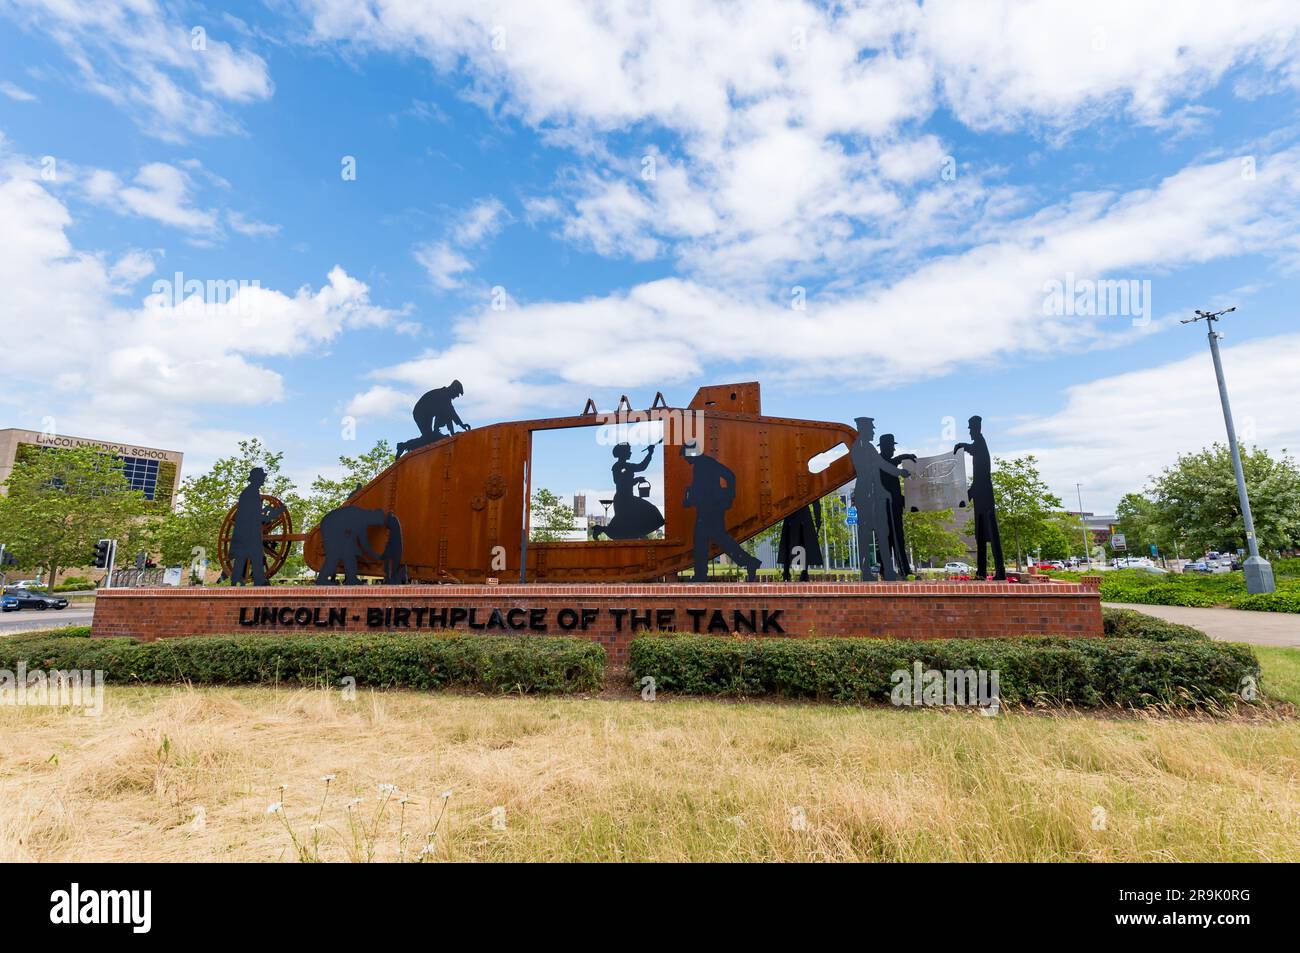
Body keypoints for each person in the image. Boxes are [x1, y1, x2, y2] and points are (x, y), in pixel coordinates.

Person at [682, 443, 761, 582]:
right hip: (709, 509)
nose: (685, 459)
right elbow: (707, 487)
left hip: (710, 510)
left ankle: (701, 575)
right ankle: (749, 562)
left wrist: (729, 497)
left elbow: (729, 477)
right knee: (719, 539)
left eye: (686, 455)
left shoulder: (704, 464)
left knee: (702, 540)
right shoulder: (702, 464)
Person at [848, 418, 910, 581]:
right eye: (871, 429)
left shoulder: (863, 447)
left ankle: (885, 570)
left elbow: (875, 470)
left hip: (871, 493)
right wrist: (900, 473)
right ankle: (871, 572)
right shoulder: (863, 447)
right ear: (864, 429)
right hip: (868, 494)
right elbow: (879, 466)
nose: (873, 432)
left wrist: (883, 490)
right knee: (870, 534)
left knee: (880, 532)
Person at [953, 415, 1006, 580]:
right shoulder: (977, 446)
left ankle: (1001, 571)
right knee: (980, 535)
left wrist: (962, 445)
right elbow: (977, 480)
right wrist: (967, 496)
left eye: (972, 428)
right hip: (979, 496)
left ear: (978, 428)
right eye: (969, 428)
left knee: (992, 533)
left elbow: (974, 451)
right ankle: (981, 572)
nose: (970, 431)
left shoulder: (980, 444)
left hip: (986, 496)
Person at [592, 443, 664, 540]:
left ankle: (636, 533)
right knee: (649, 514)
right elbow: (618, 481)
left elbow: (642, 466)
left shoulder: (628, 466)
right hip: (623, 500)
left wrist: (650, 453)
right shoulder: (617, 466)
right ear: (623, 453)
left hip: (628, 499)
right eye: (629, 451)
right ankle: (637, 533)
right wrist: (636, 480)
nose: (630, 453)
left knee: (646, 516)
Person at [228, 467, 285, 586]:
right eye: (262, 477)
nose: (263, 479)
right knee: (256, 558)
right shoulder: (251, 493)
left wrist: (268, 513)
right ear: (257, 479)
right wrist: (274, 514)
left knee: (243, 559)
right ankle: (256, 584)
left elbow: (253, 514)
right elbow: (256, 517)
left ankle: (237, 583)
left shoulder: (250, 492)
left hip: (245, 534)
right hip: (250, 534)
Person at [396, 380, 471, 458]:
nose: (457, 396)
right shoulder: (443, 396)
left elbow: (450, 413)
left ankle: (404, 446)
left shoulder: (445, 396)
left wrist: (460, 425)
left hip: (427, 414)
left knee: (429, 437)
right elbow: (448, 414)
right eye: (458, 393)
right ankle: (403, 446)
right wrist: (446, 433)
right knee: (429, 437)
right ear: (453, 389)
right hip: (420, 413)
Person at [878, 433, 917, 578]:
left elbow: (893, 488)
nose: (893, 450)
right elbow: (890, 467)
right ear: (884, 447)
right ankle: (901, 570)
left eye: (893, 447)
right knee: (894, 539)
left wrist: (906, 500)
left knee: (893, 539)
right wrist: (903, 457)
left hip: (893, 507)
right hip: (885, 509)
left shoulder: (887, 462)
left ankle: (891, 569)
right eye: (891, 447)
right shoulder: (880, 462)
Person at [777, 502, 823, 581]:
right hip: (802, 515)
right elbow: (816, 504)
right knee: (804, 543)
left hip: (791, 514)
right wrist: (818, 521)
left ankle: (787, 572)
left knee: (789, 542)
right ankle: (803, 572)